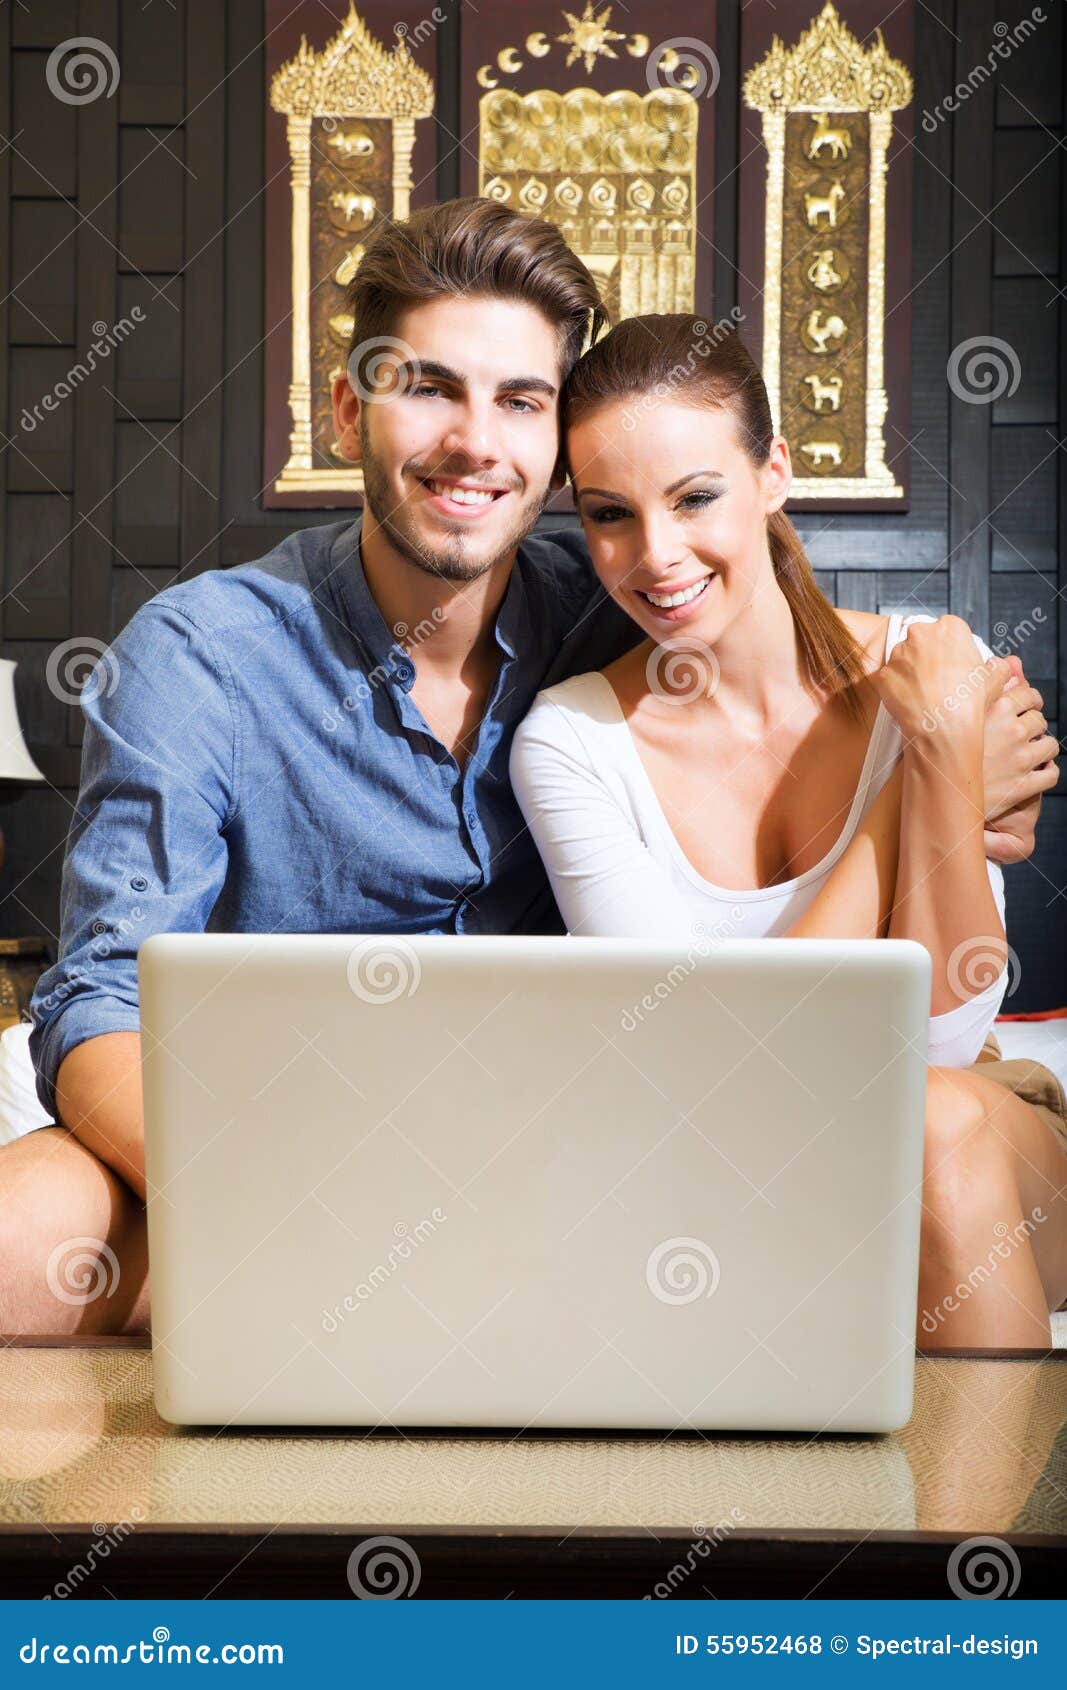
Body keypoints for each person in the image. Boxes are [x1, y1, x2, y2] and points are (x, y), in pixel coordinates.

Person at [3, 203, 1051, 1336]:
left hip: (566, 1143)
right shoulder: (203, 654)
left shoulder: (610, 594)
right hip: (285, 1143)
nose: (475, 441)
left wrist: (945, 711)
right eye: (428, 388)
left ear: (556, 446)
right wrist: (301, 1201)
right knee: (29, 1225)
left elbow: (756, 607)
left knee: (922, 1154)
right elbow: (99, 1000)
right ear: (349, 407)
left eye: (520, 401)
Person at [509, 314, 1066, 1348]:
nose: (654, 555)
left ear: (771, 473)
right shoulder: (571, 742)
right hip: (722, 1167)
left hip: (976, 1126)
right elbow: (704, 1073)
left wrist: (926, 741)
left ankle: (987, 1516)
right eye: (608, 515)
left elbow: (938, 1037)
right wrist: (919, 779)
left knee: (931, 1125)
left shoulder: (937, 662)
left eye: (693, 498)